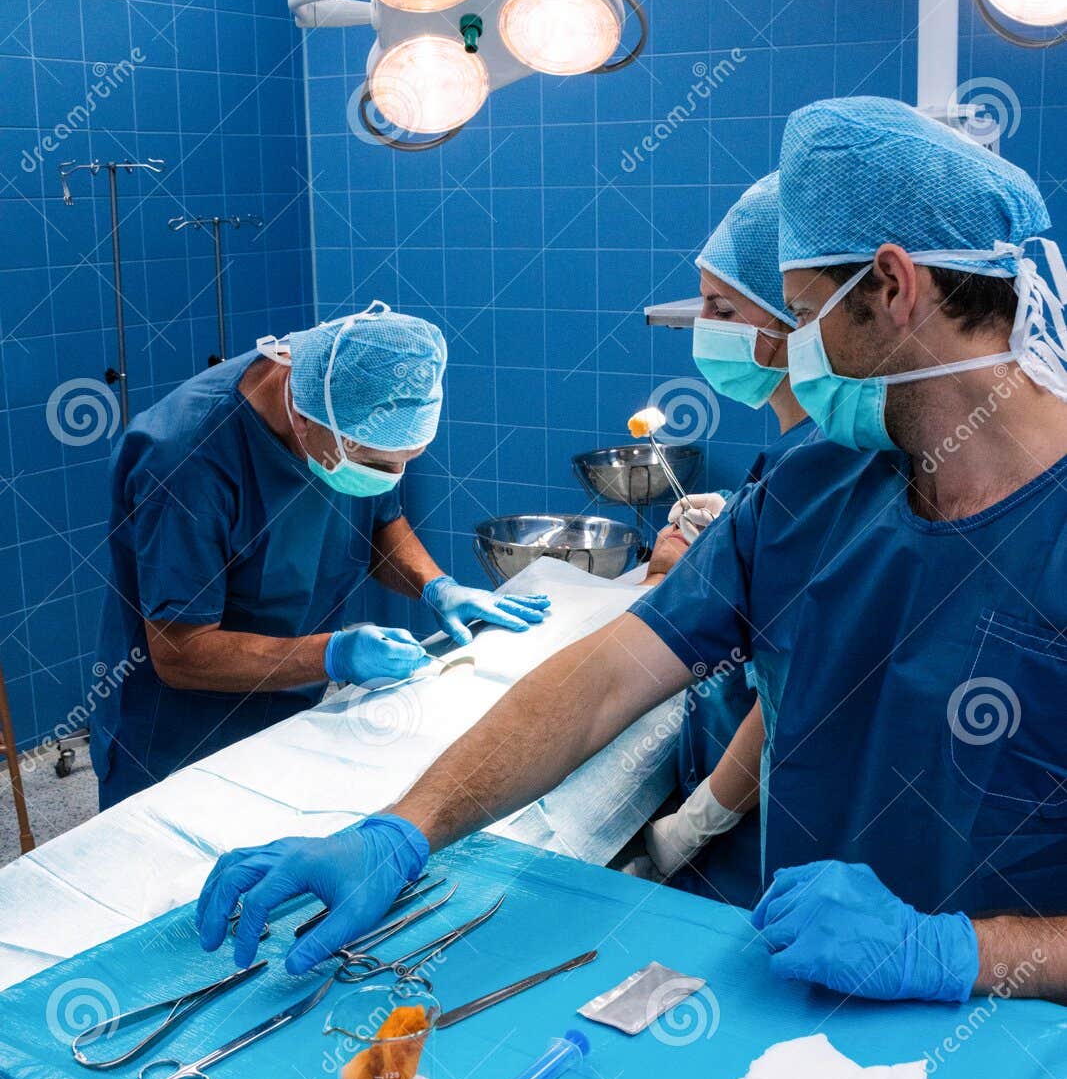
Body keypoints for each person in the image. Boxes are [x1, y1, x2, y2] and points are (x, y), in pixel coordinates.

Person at [195, 99, 1067, 1008]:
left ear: (892, 288)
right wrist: (401, 831)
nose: (793, 350)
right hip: (797, 1027)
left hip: (1015, 1066)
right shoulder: (817, 491)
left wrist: (956, 952)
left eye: (804, 314)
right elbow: (605, 677)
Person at [92, 306, 549, 808]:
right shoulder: (185, 460)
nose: (389, 475)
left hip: (288, 712)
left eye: (404, 463)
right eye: (377, 463)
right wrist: (333, 654)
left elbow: (378, 521)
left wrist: (436, 587)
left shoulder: (355, 403)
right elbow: (181, 653)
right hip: (179, 742)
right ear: (310, 420)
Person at [635, 174, 816, 899]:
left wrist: (696, 821)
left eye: (720, 307)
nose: (701, 324)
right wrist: (740, 518)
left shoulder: (822, 467)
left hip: (759, 824)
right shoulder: (798, 457)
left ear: (790, 319)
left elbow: (790, 699)